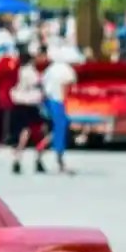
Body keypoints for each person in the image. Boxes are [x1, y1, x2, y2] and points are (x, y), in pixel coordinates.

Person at [7, 46, 46, 173]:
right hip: (29, 103)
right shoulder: (30, 72)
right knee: (37, 131)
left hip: (17, 103)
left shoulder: (15, 71)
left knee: (21, 133)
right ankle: (38, 159)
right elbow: (38, 83)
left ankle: (17, 158)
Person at [39, 46, 77, 174]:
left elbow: (43, 85)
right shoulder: (67, 70)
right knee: (61, 128)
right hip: (58, 101)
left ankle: (42, 147)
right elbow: (65, 88)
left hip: (48, 101)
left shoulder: (50, 69)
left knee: (56, 128)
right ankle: (59, 160)